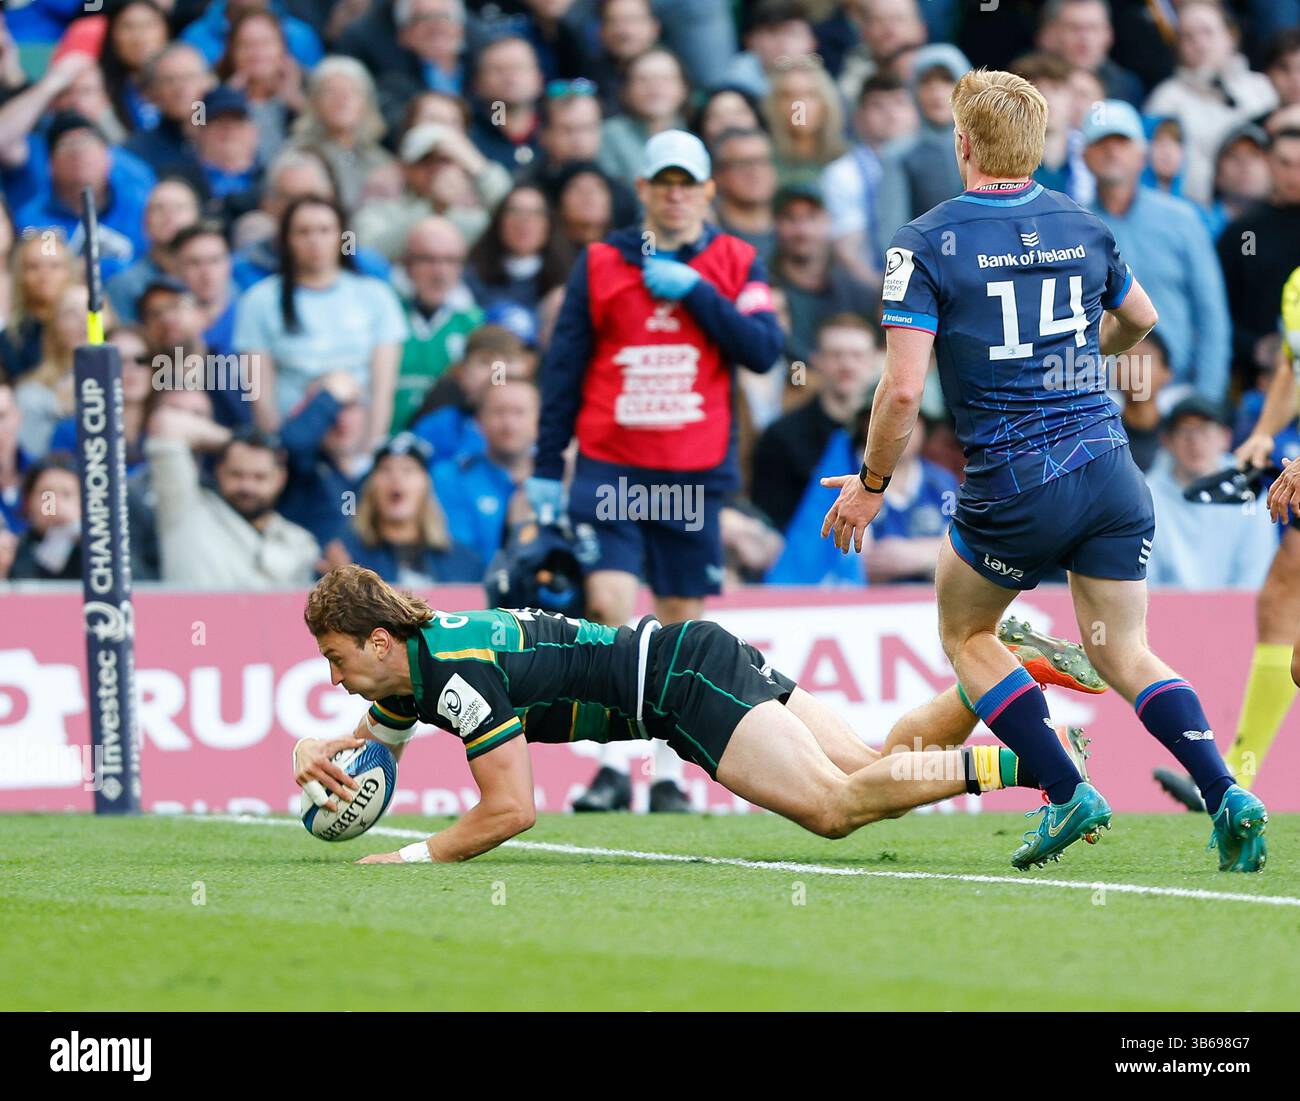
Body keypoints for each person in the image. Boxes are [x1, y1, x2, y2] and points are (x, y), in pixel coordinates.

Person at [819, 67, 1269, 872]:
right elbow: (1142, 319)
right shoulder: (1082, 222)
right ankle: (1226, 789)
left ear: (963, 143)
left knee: (967, 631)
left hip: (1015, 483)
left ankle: (1066, 787)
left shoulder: (923, 242)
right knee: (1126, 653)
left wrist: (871, 486)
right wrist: (1075, 363)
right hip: (1109, 469)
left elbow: (903, 390)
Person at [292, 564, 1092, 862]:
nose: (334, 678)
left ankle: (1042, 764)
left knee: (834, 810)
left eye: (337, 658)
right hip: (688, 652)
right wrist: (310, 747)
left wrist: (408, 857)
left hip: (677, 684)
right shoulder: (416, 664)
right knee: (867, 764)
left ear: (378, 638)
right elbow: (379, 742)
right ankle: (1001, 677)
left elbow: (510, 810)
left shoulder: (455, 676)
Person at [528, 129, 783, 813]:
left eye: (686, 183)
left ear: (707, 190)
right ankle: (613, 767)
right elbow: (564, 366)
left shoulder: (736, 260)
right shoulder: (602, 261)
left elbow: (764, 348)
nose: (674, 195)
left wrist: (699, 293)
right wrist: (547, 463)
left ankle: (669, 775)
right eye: (661, 183)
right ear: (641, 189)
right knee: (609, 609)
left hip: (692, 471)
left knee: (679, 623)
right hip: (611, 463)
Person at [1159, 264, 1300, 812]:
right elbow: (1292, 366)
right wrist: (1264, 431)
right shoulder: (1294, 285)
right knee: (1283, 607)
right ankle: (1234, 777)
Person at [1084, 99, 1230, 402]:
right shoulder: (1072, 224)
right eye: (1101, 143)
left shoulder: (1182, 219)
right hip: (1100, 396)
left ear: (1142, 155)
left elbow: (1211, 313)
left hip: (1177, 395)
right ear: (1085, 156)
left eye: (1121, 142)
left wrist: (1205, 400)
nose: (1111, 151)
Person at [233, 195, 407, 445]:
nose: (314, 241)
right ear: (286, 240)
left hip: (356, 437)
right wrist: (277, 452)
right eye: (303, 232)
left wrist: (370, 450)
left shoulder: (376, 296)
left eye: (325, 230)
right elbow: (261, 396)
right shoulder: (259, 301)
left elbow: (382, 391)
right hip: (293, 436)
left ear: (342, 237)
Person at [145, 411, 320, 589]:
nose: (247, 486)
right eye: (236, 474)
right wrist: (236, 440)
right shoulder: (185, 510)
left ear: (280, 478)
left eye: (259, 477)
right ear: (219, 471)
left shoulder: (301, 543)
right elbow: (167, 425)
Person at [1144, 396, 1277, 590]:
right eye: (1185, 431)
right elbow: (1145, 580)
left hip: (1239, 614)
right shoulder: (1145, 498)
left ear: (1225, 437)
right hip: (1164, 614)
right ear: (1167, 441)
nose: (1195, 441)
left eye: (1205, 429)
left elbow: (1255, 575)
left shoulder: (1251, 493)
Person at [332, 432, 482, 584]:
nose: (396, 478)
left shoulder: (461, 561)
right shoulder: (347, 557)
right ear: (372, 487)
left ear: (426, 486)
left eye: (408, 470)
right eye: (386, 470)